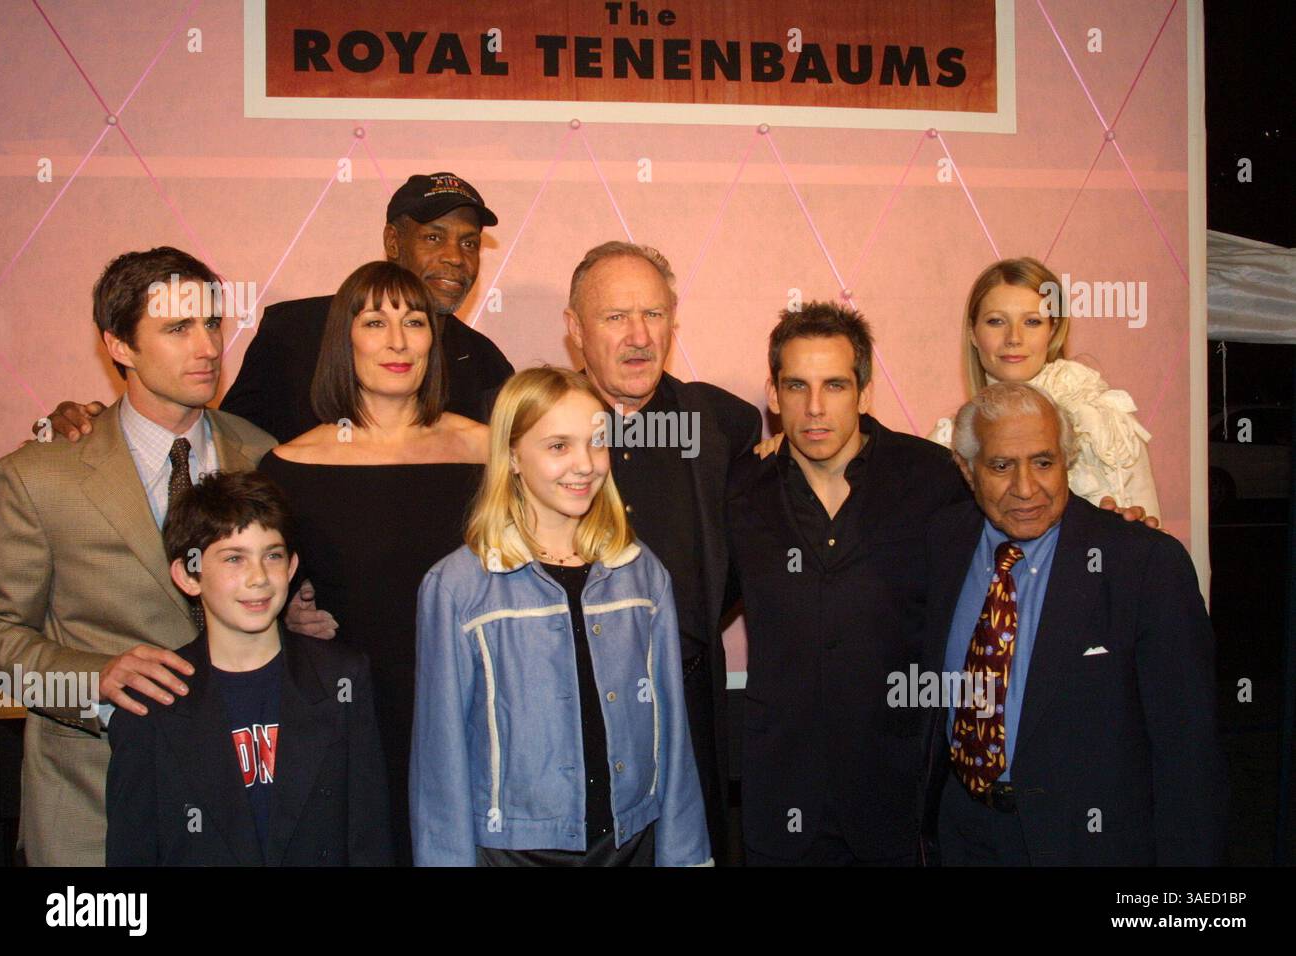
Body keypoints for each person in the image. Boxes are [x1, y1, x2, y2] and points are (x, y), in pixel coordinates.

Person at [0, 247, 277, 865]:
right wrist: (91, 678)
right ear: (118, 345)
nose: (207, 347)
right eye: (177, 328)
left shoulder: (265, 458)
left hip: (245, 805)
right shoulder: (39, 476)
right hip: (90, 807)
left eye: (211, 323)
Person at [411, 367, 711, 867]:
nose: (585, 465)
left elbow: (673, 738)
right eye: (557, 446)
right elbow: (439, 760)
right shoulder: (457, 588)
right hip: (513, 852)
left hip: (630, 844)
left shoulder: (642, 575)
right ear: (511, 456)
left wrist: (686, 855)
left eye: (596, 442)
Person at [920, 383, 1226, 865]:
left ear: (1067, 460)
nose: (1026, 488)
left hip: (1090, 844)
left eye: (1043, 462)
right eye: (1001, 466)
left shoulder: (1141, 563)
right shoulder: (939, 544)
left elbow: (1188, 753)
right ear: (966, 470)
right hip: (963, 830)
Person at [257, 260, 487, 864]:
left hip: (473, 709)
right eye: (375, 321)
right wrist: (287, 619)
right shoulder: (288, 466)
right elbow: (255, 597)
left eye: (414, 322)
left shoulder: (490, 450)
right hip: (349, 723)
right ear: (344, 339)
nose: (396, 340)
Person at [726, 302, 967, 865]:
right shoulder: (740, 487)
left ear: (864, 392)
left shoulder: (934, 478)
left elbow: (1018, 532)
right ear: (773, 393)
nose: (814, 408)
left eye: (835, 385)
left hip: (899, 791)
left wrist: (1111, 524)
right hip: (780, 789)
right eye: (796, 386)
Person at [40, 172, 513, 446]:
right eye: (434, 237)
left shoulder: (487, 362)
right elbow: (223, 445)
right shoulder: (294, 332)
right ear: (393, 242)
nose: (455, 257)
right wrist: (101, 432)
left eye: (469, 243)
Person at [562, 241, 762, 862]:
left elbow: (742, 564)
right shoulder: (534, 425)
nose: (639, 336)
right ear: (576, 330)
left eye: (653, 314)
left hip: (687, 715)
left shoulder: (722, 424)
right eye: (615, 317)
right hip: (570, 722)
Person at [105, 471, 392, 865]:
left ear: (292, 568)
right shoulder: (153, 697)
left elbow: (368, 835)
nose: (258, 578)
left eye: (272, 555)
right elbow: (132, 849)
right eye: (234, 558)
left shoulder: (342, 678)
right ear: (188, 575)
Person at [928, 257, 1162, 521]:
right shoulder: (945, 442)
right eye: (996, 321)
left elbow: (1149, 536)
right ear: (972, 333)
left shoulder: (1102, 422)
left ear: (1053, 330)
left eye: (1032, 322)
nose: (1014, 338)